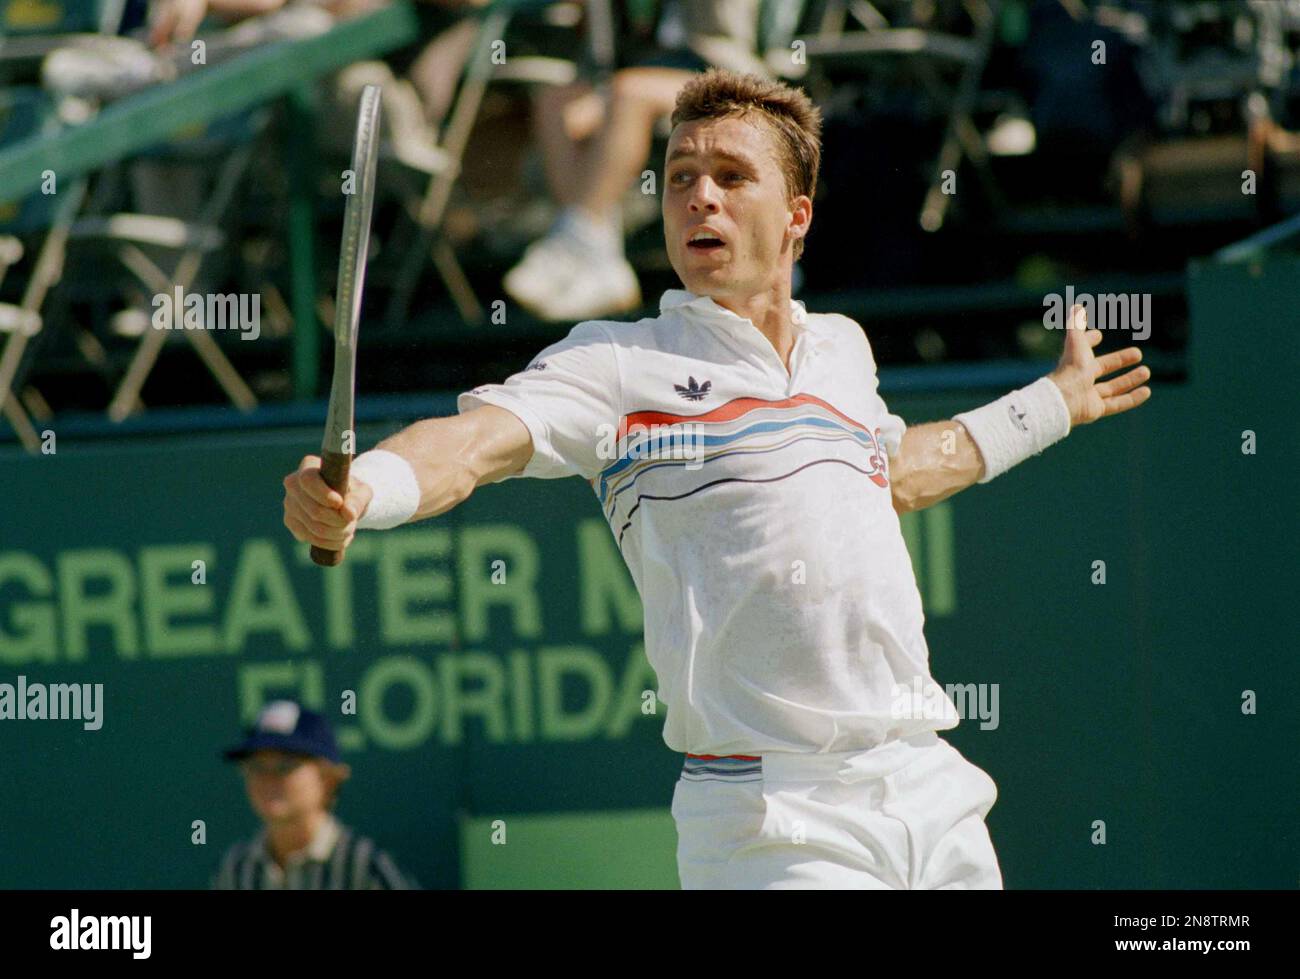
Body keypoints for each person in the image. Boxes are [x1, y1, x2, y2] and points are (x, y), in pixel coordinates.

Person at [280, 69, 1152, 889]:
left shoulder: (841, 348)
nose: (700, 194)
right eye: (680, 176)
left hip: (926, 776)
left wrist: (1053, 404)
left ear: (797, 215)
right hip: (770, 815)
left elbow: (901, 473)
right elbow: (470, 447)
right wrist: (367, 490)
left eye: (733, 176)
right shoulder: (617, 365)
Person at [504, 0, 771, 322]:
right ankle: (594, 252)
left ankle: (577, 243)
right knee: (557, 105)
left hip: (723, 74)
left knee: (629, 94)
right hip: (639, 73)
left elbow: (723, 38)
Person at [214, 699, 417, 889]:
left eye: (285, 766)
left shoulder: (365, 866)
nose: (268, 779)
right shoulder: (235, 868)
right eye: (257, 767)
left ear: (328, 778)